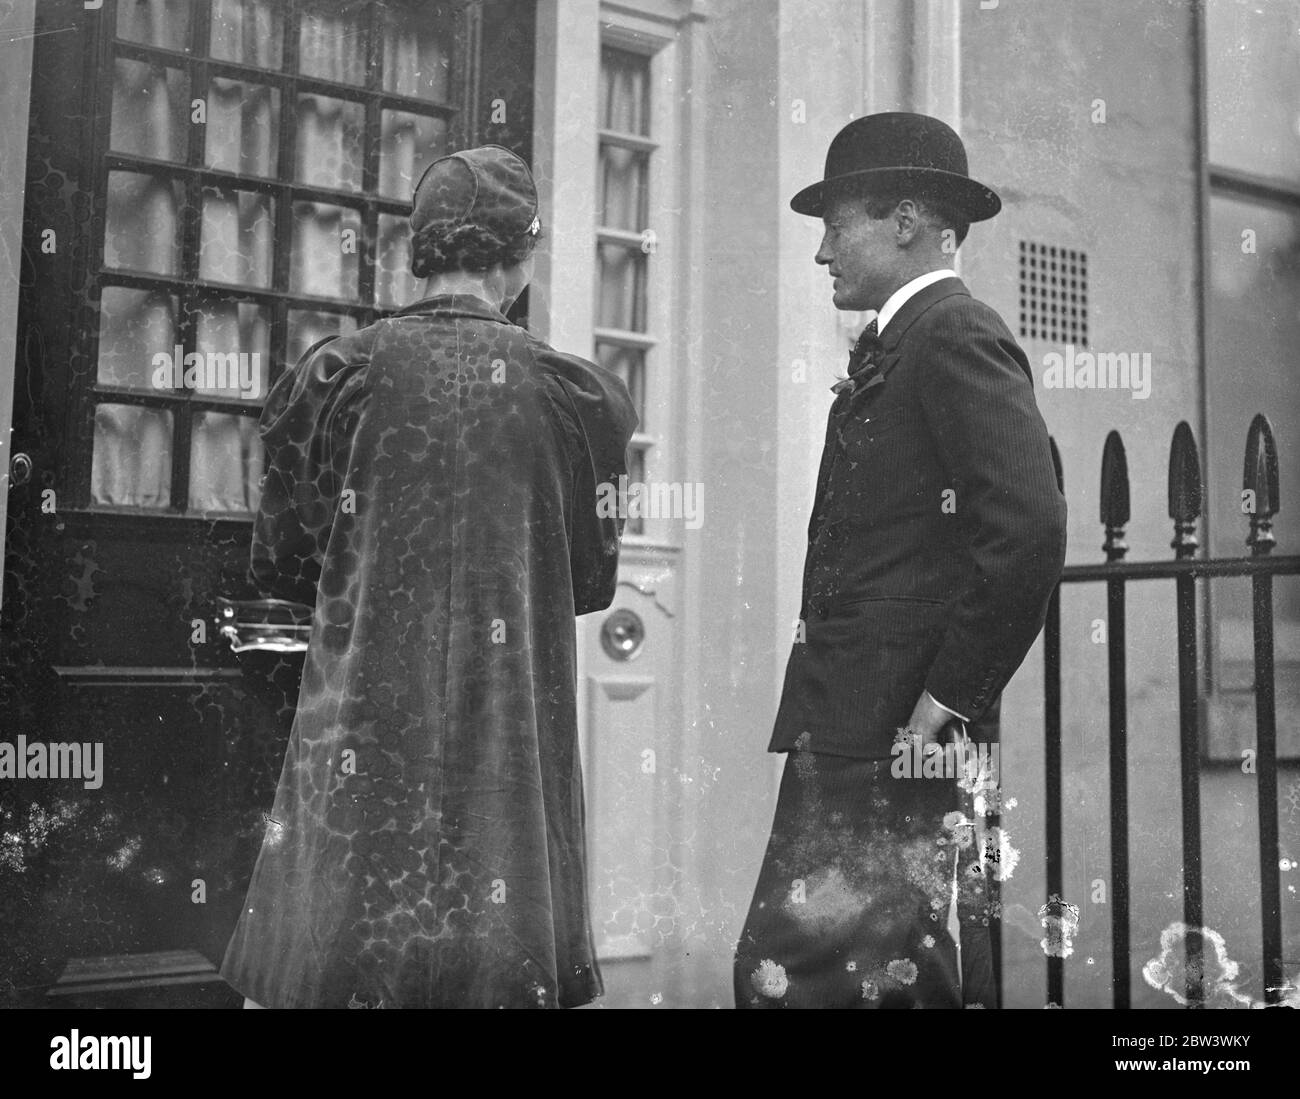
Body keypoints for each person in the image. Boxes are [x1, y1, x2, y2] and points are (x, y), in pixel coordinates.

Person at [220, 145, 638, 1008]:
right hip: (508, 741)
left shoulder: (339, 378)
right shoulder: (573, 398)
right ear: (519, 256)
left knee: (342, 956)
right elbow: (589, 585)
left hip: (362, 739)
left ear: (422, 250)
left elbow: (282, 565)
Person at [734, 113, 1067, 1008]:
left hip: (889, 735)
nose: (822, 255)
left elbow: (1029, 529)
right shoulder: (905, 339)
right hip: (851, 724)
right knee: (871, 975)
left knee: (804, 974)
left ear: (908, 219)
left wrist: (946, 703)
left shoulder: (954, 334)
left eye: (837, 228)